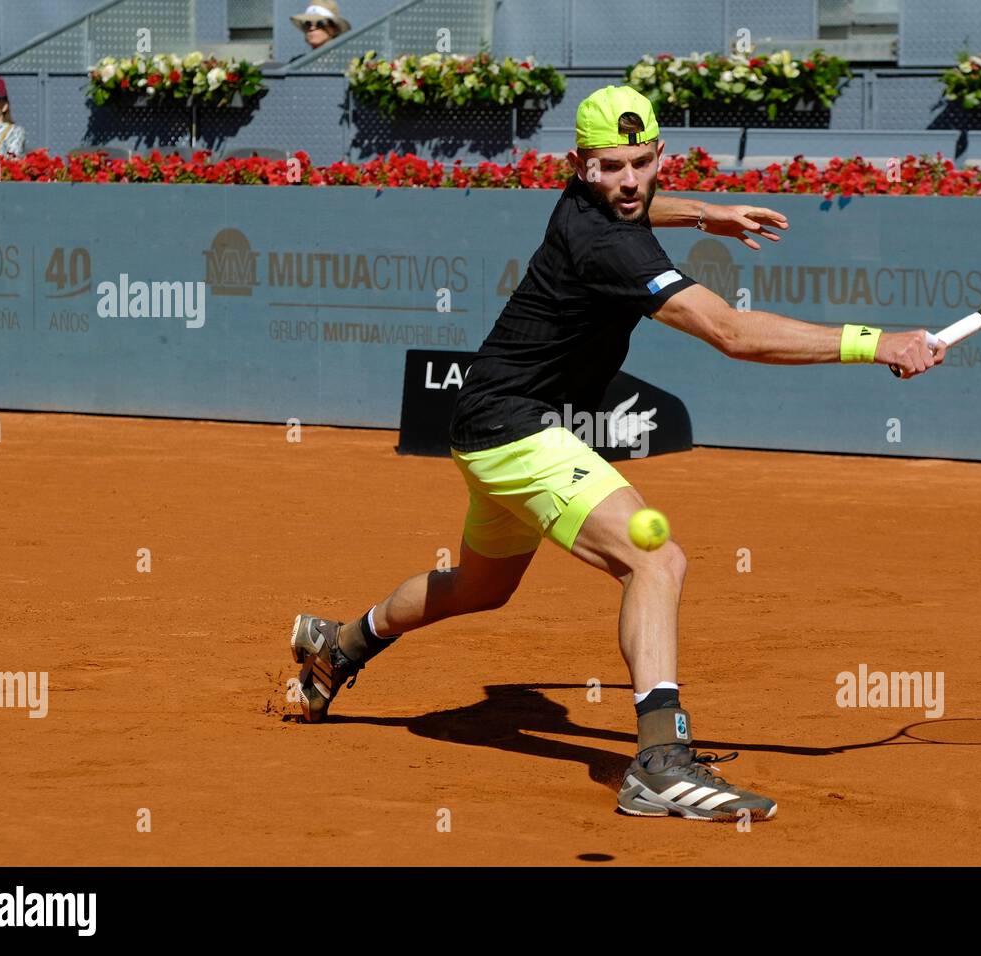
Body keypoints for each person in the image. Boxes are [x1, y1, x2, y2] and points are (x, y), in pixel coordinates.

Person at [288, 85, 944, 822]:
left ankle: (338, 642)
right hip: (514, 428)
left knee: (480, 588)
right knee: (655, 558)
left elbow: (641, 207)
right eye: (609, 167)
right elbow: (731, 332)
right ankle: (660, 763)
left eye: (640, 163)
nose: (628, 181)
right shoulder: (606, 240)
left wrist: (704, 212)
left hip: (488, 422)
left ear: (661, 155)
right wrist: (876, 343)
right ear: (578, 164)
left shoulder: (594, 205)